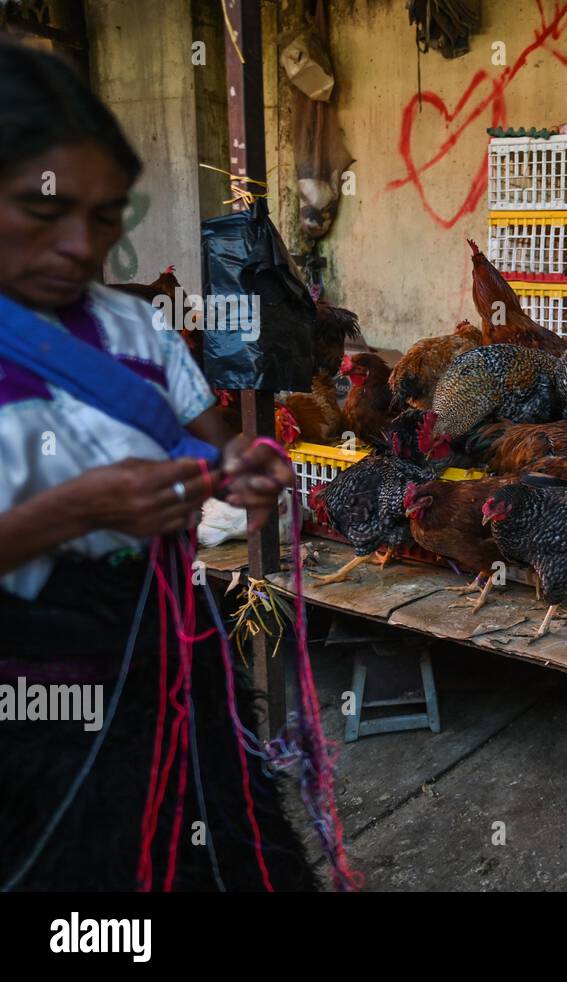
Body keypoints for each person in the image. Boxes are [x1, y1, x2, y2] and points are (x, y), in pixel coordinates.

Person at [0, 41, 317, 890]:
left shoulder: (135, 332)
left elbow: (215, 446)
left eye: (105, 217)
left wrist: (246, 475)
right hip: (26, 691)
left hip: (165, 648)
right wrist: (78, 511)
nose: (79, 243)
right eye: (44, 208)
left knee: (222, 850)